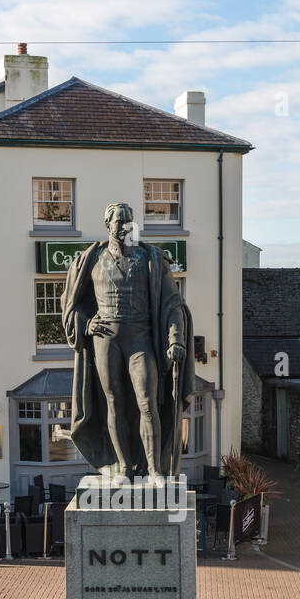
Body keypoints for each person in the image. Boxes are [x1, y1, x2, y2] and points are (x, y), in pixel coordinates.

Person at [61, 201, 194, 481]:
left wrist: (175, 339)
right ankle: (123, 468)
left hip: (140, 338)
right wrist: (86, 324)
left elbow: (173, 304)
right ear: (108, 224)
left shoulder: (151, 259)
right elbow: (71, 302)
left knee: (148, 402)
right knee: (114, 402)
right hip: (105, 339)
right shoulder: (91, 260)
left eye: (128, 221)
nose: (124, 226)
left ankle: (155, 469)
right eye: (119, 221)